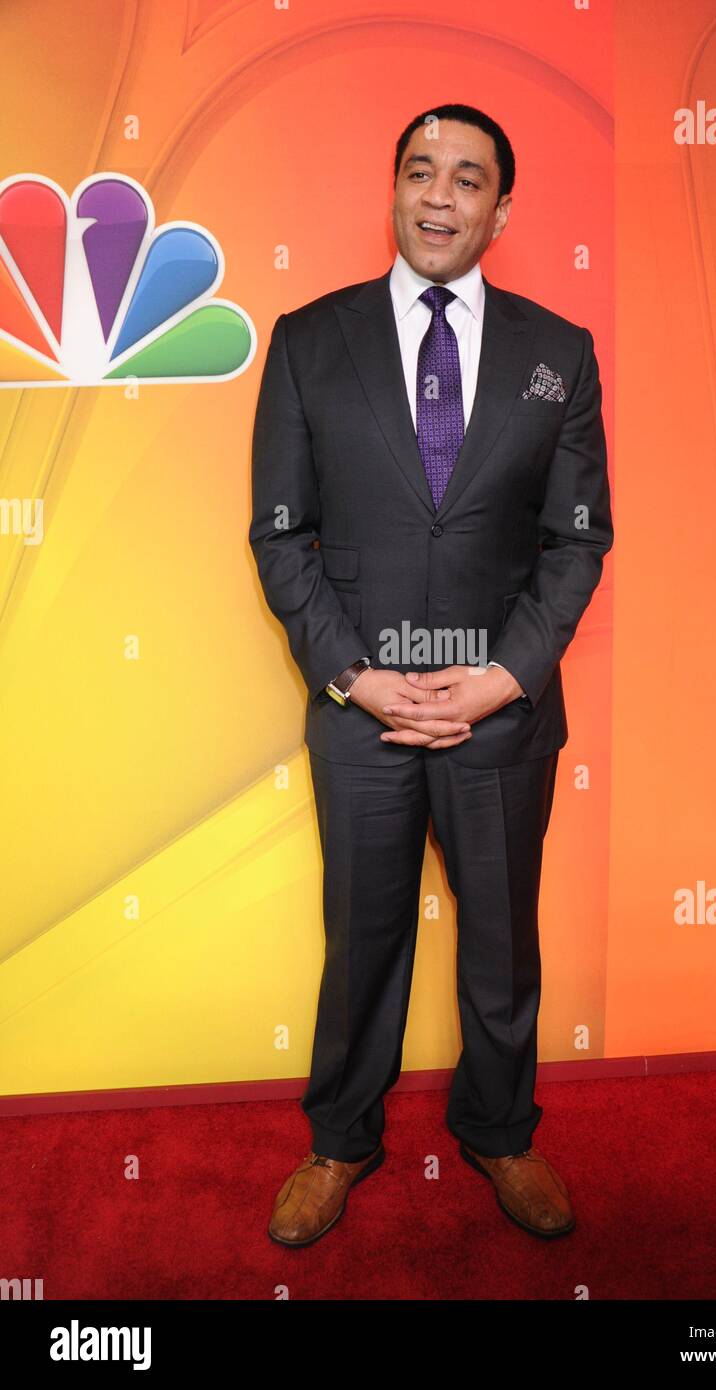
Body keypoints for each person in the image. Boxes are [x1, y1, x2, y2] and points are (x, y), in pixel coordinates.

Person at [249, 102, 613, 1247]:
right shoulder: (310, 338)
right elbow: (279, 533)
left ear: (501, 210)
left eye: (467, 180)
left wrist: (500, 678)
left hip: (499, 716)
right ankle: (340, 1137)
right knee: (360, 936)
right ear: (393, 189)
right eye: (419, 172)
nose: (439, 197)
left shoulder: (559, 354)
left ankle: (500, 1129)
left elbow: (577, 539)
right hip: (361, 711)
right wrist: (354, 676)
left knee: (501, 938)